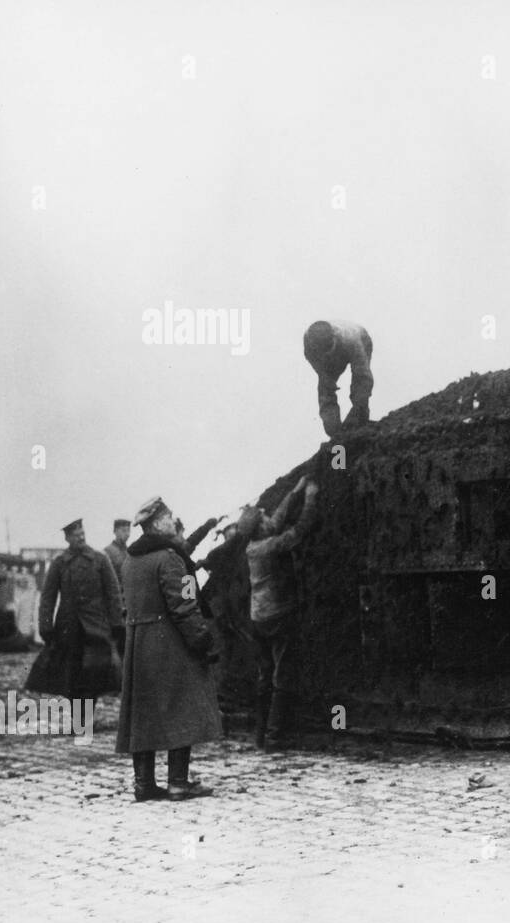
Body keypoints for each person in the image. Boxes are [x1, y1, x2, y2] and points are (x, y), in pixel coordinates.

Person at [116, 497, 222, 802]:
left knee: (143, 713)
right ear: (157, 523)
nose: (174, 520)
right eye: (169, 516)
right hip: (170, 643)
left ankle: (144, 785)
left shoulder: (130, 560)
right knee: (182, 706)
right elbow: (185, 606)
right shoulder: (171, 559)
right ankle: (178, 783)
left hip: (138, 645)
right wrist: (202, 641)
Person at [241, 475, 320, 750]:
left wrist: (295, 491)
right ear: (259, 528)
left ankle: (261, 735)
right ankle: (275, 736)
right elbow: (299, 530)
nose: (268, 521)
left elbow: (276, 520)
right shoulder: (269, 547)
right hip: (277, 615)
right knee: (281, 676)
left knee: (265, 677)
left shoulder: (255, 544)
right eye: (263, 519)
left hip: (258, 617)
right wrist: (310, 496)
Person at [26, 520, 123, 711]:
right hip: (68, 630)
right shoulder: (60, 563)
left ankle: (84, 720)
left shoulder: (100, 560)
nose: (80, 537)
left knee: (93, 675)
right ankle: (78, 721)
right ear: (67, 538)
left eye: (82, 533)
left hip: (96, 628)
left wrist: (117, 624)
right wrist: (45, 626)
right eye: (76, 534)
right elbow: (48, 597)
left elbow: (113, 594)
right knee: (71, 677)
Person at [303, 319, 374, 437]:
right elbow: (320, 371)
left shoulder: (350, 339)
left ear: (334, 339)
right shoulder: (309, 344)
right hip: (331, 353)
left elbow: (363, 377)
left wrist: (357, 407)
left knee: (360, 382)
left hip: (360, 340)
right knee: (325, 389)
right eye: (323, 353)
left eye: (328, 351)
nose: (327, 355)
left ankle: (360, 420)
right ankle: (334, 431)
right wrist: (325, 377)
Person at [103, 519, 132, 591]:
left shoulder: (130, 552)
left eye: (128, 530)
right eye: (124, 530)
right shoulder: (107, 552)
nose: (127, 534)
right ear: (115, 531)